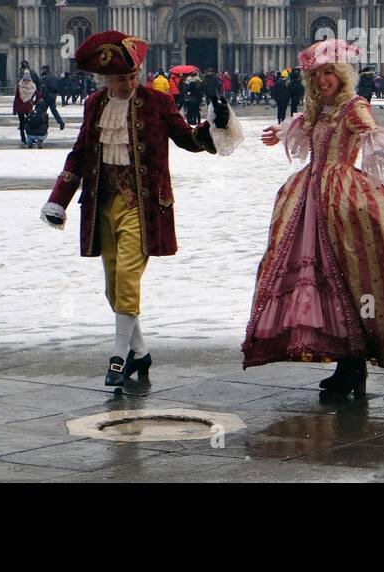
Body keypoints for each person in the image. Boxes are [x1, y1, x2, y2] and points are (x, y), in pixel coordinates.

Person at [40, 31, 241, 389]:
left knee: (128, 278)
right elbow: (80, 154)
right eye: (120, 79)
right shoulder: (94, 105)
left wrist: (216, 124)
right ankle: (140, 351)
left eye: (132, 77)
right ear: (105, 80)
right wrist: (59, 198)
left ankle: (118, 358)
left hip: (144, 206)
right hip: (102, 204)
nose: (127, 84)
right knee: (112, 287)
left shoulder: (157, 102)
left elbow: (190, 141)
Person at [246, 38, 384, 398]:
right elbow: (298, 125)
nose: (323, 80)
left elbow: (375, 140)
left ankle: (354, 364)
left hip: (341, 198)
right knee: (321, 280)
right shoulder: (316, 109)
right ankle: (343, 361)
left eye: (328, 73)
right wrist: (278, 133)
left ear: (340, 75)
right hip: (309, 196)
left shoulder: (353, 107)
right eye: (316, 74)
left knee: (347, 278)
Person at [13, 67, 41, 146]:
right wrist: (34, 102)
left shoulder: (29, 86)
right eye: (25, 80)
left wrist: (34, 102)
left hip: (26, 107)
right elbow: (17, 98)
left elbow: (38, 96)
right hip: (23, 108)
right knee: (24, 123)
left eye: (27, 80)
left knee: (28, 123)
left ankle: (28, 137)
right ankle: (24, 138)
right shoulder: (30, 86)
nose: (26, 82)